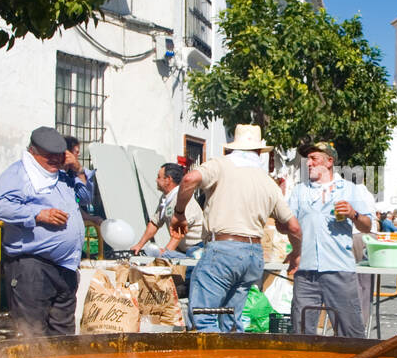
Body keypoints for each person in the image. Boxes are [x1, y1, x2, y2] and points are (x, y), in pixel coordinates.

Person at [172, 125, 301, 332]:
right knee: (231, 322)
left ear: (233, 148)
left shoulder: (221, 165)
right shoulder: (268, 182)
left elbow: (189, 179)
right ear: (259, 151)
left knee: (203, 317)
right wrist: (296, 252)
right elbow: (294, 227)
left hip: (224, 250)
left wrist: (179, 213)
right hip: (253, 255)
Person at [0, 126, 91, 338]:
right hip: (32, 267)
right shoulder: (18, 173)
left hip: (65, 267)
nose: (56, 161)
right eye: (49, 157)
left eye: (59, 156)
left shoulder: (63, 176)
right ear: (33, 152)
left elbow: (86, 198)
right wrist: (39, 214)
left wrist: (78, 170)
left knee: (63, 333)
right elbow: (1, 207)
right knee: (34, 332)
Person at [287, 141, 374, 338]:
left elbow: (367, 226)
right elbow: (288, 224)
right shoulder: (300, 191)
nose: (308, 163)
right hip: (306, 273)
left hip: (339, 270)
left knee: (350, 332)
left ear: (329, 162)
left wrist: (353, 214)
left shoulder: (351, 189)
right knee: (301, 332)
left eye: (313, 158)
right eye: (307, 159)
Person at [131, 162, 205, 258]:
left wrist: (165, 253)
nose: (156, 180)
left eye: (159, 177)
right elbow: (155, 223)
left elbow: (179, 231)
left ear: (168, 180)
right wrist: (139, 245)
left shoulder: (182, 197)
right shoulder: (165, 198)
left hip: (197, 248)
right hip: (181, 248)